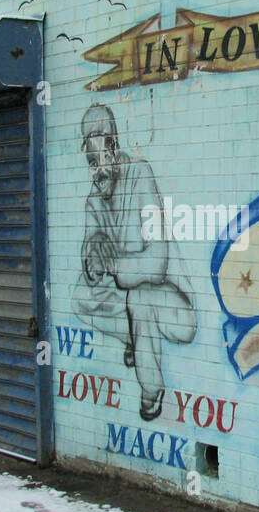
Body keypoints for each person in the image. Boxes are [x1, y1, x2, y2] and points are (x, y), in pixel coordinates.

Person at [73, 105, 195, 421]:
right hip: (128, 299)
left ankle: (151, 387)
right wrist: (93, 254)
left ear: (113, 147)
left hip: (175, 308)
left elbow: (157, 264)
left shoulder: (140, 175)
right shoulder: (94, 201)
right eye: (89, 163)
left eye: (97, 159)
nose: (94, 171)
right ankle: (136, 339)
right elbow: (90, 276)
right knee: (80, 299)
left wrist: (111, 263)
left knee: (140, 297)